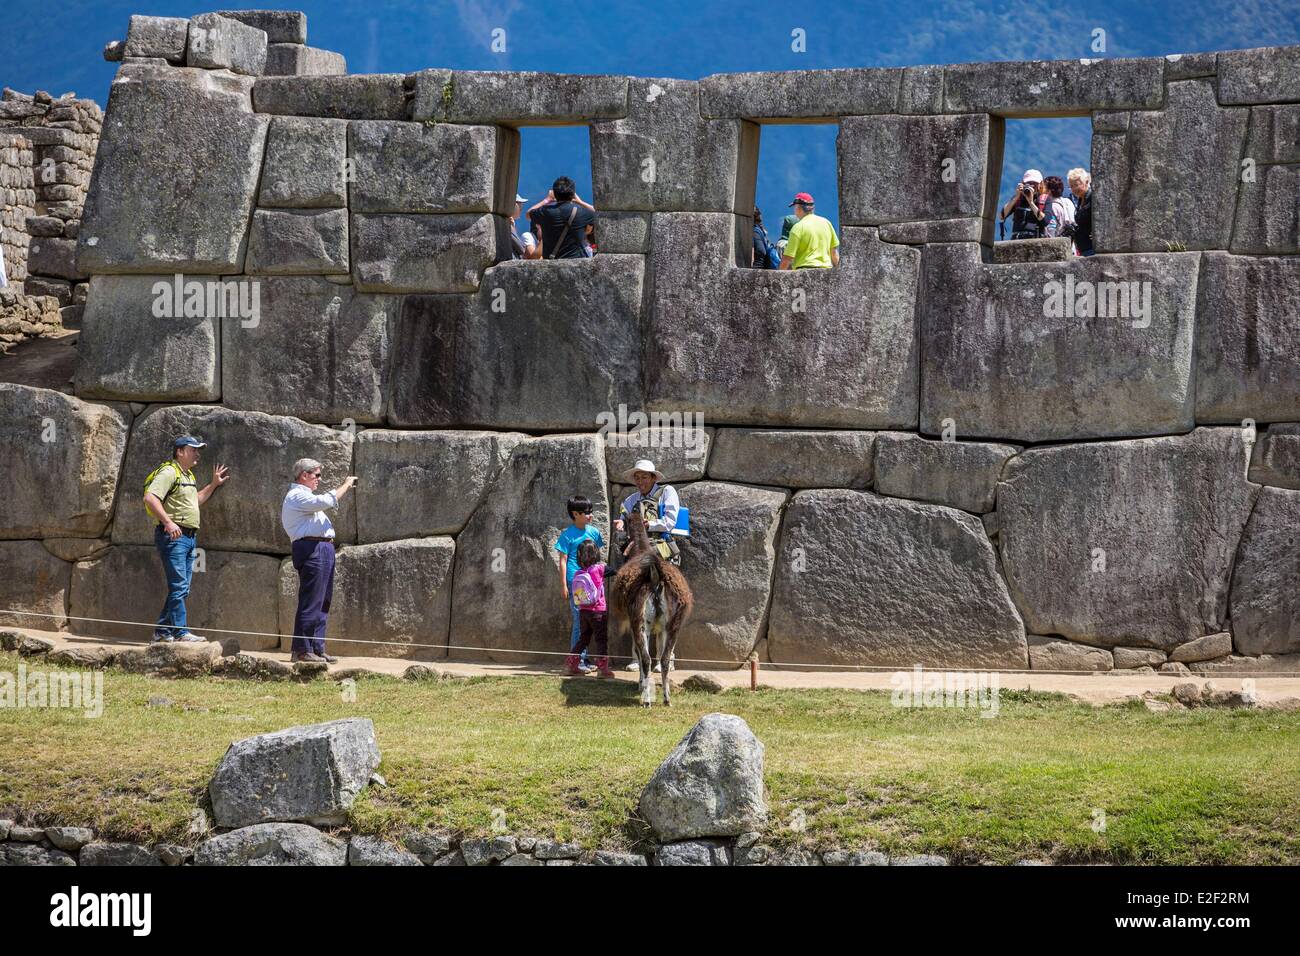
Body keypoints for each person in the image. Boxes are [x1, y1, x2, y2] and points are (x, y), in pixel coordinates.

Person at [142, 435, 229, 642]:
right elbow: (150, 497)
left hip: (189, 537)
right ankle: (180, 633)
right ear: (180, 451)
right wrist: (168, 522)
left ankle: (162, 631)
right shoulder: (169, 472)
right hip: (174, 536)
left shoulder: (187, 475)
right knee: (180, 586)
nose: (197, 453)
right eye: (193, 449)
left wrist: (213, 484)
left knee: (182, 587)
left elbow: (196, 500)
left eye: (198, 450)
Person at [281, 458, 357, 664]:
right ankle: (301, 649)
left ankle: (316, 647)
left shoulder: (305, 497)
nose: (319, 480)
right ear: (304, 475)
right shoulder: (296, 495)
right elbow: (325, 501)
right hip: (311, 548)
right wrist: (346, 485)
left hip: (323, 548)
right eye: (317, 475)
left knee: (323, 601)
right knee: (311, 599)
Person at [554, 494, 605, 673]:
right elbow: (563, 560)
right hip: (577, 584)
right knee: (579, 621)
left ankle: (583, 658)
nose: (590, 515)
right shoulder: (567, 535)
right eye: (586, 512)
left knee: (591, 622)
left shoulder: (594, 532)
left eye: (591, 511)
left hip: (593, 583)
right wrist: (563, 585)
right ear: (575, 514)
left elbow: (597, 557)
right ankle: (576, 661)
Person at [565, 540, 614, 678]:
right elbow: (615, 571)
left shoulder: (577, 573)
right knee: (601, 639)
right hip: (598, 612)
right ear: (596, 554)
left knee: (584, 638)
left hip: (583, 611)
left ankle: (571, 664)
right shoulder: (599, 569)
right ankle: (603, 669)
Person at [527, 176, 596, 259]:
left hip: (552, 262)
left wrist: (547, 199)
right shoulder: (581, 212)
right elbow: (597, 213)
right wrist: (579, 201)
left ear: (555, 194)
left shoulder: (546, 212)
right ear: (572, 194)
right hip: (577, 261)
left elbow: (528, 214)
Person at [779, 192, 840, 270]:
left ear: (798, 208)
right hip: (826, 273)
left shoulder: (798, 227)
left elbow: (787, 258)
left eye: (795, 207)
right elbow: (834, 253)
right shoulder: (827, 223)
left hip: (804, 272)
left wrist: (777, 278)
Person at [1000, 169, 1048, 239]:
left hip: (1035, 241)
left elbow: (1045, 221)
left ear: (1040, 184)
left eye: (1034, 183)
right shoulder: (1018, 198)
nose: (1031, 185)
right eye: (1028, 183)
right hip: (1016, 240)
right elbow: (1002, 216)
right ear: (1023, 183)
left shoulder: (1044, 200)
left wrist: (1031, 203)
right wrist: (1016, 197)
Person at [1068, 167, 1094, 256]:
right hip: (1084, 247)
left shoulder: (1092, 198)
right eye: (1071, 186)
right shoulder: (1080, 200)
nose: (1074, 188)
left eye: (1077, 185)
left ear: (1086, 182)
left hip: (1092, 247)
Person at [510, 193, 539, 260]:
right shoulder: (508, 223)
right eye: (519, 203)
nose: (521, 207)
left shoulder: (511, 223)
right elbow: (521, 248)